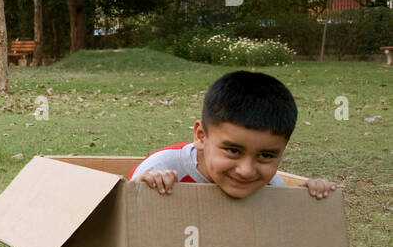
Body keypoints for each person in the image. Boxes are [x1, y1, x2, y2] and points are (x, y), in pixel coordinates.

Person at [130, 70, 337, 199]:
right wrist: (145, 188)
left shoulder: (272, 185)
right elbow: (126, 212)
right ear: (201, 136)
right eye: (233, 150)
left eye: (266, 155)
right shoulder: (162, 167)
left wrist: (305, 199)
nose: (246, 171)